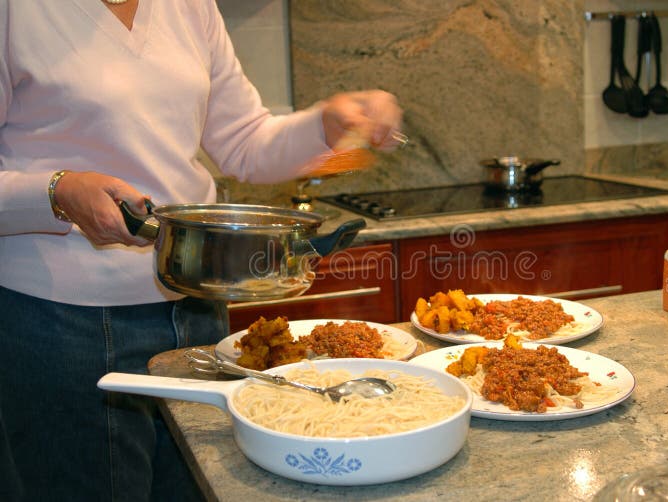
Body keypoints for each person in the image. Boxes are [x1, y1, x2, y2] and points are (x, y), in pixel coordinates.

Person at [0, 1, 404, 500]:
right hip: (61, 324)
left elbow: (243, 141)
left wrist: (326, 125)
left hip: (194, 308)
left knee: (200, 489)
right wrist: (56, 192)